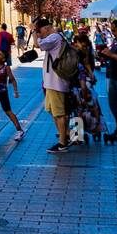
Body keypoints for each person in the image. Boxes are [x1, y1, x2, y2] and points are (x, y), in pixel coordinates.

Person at [35, 17, 70, 153]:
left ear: (46, 28)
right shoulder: (56, 37)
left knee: (59, 113)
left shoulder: (55, 37)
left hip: (56, 83)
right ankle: (65, 135)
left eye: (40, 30)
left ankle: (62, 143)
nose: (40, 33)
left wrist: (33, 32)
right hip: (51, 82)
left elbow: (39, 45)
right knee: (51, 110)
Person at [0, 48, 24, 139]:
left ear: (3, 59)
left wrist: (16, 92)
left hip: (2, 93)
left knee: (8, 112)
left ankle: (19, 130)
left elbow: (13, 80)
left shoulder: (6, 68)